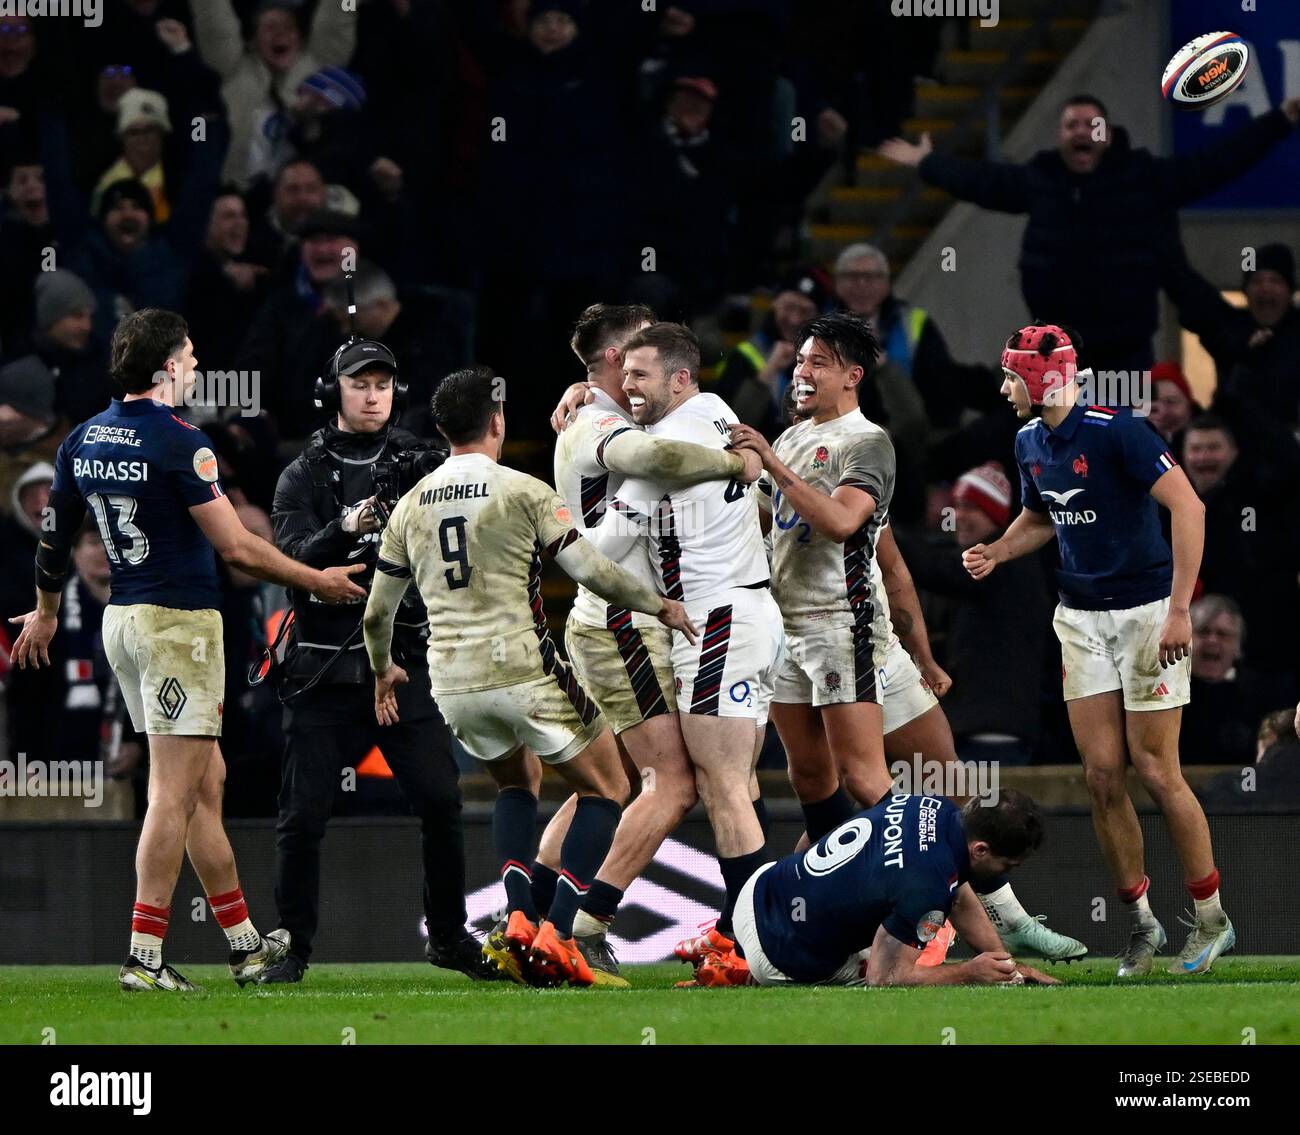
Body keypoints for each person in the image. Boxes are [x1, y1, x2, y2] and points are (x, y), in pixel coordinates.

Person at [9, 308, 367, 992]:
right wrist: (316, 578)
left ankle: (243, 943)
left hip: (124, 620)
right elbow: (235, 547)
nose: (198, 366)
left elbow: (54, 534)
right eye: (192, 355)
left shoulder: (82, 436)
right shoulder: (180, 441)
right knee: (172, 792)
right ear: (169, 366)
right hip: (178, 627)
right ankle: (144, 955)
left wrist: (49, 610)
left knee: (207, 785)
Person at [361, 365, 698, 987]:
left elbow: (378, 611)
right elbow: (591, 570)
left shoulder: (408, 507)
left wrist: (384, 671)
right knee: (608, 788)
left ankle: (517, 920)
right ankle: (560, 936)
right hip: (524, 668)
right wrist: (659, 605)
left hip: (453, 684)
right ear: (498, 423)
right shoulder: (524, 490)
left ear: (440, 430)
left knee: (518, 785)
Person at [963, 322, 1234, 977]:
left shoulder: (1120, 431)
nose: (1003, 387)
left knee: (1157, 768)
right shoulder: (1030, 440)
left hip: (1146, 614)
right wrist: (999, 549)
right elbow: (1041, 514)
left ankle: (1211, 916)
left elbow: (1189, 508)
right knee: (1103, 774)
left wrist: (1179, 609)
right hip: (1080, 617)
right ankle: (1141, 926)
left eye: (1011, 374)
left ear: (1040, 376)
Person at [533, 302, 763, 984]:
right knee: (671, 786)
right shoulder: (605, 425)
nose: (645, 368)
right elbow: (658, 457)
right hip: (621, 618)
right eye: (635, 355)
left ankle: (536, 914)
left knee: (616, 782)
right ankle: (581, 924)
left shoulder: (594, 410)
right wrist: (739, 462)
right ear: (613, 359)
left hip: (619, 618)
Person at [261, 336, 484, 984]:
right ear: (334, 391)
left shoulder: (422, 460)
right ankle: (294, 948)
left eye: (383, 383)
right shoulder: (300, 473)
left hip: (404, 663)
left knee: (443, 801)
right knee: (301, 817)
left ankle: (447, 937)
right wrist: (349, 524)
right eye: (360, 383)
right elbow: (292, 558)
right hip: (325, 670)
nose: (372, 393)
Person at [581, 323, 785, 970]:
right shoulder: (717, 410)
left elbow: (601, 551)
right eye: (622, 374)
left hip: (718, 617)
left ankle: (758, 948)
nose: (627, 385)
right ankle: (741, 934)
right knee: (735, 781)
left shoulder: (667, 444)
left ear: (678, 377)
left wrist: (551, 519)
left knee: (722, 784)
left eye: (640, 374)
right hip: (747, 611)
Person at [880, 94, 1300, 371]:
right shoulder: (1039, 179)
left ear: (1108, 135)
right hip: (1056, 353)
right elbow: (980, 180)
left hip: (1127, 354)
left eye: (1091, 125)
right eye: (1071, 125)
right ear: (1060, 136)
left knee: (1125, 453)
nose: (1081, 132)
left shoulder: (1143, 179)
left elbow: (1218, 162)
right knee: (1059, 459)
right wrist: (927, 163)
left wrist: (1280, 120)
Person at [719, 790, 1059, 988]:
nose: (1006, 874)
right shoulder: (929, 889)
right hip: (778, 956)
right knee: (919, 957)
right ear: (980, 850)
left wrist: (1006, 966)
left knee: (908, 929)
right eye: (1008, 865)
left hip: (761, 886)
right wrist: (971, 972)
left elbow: (957, 891)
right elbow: (886, 978)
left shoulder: (933, 806)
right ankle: (738, 969)